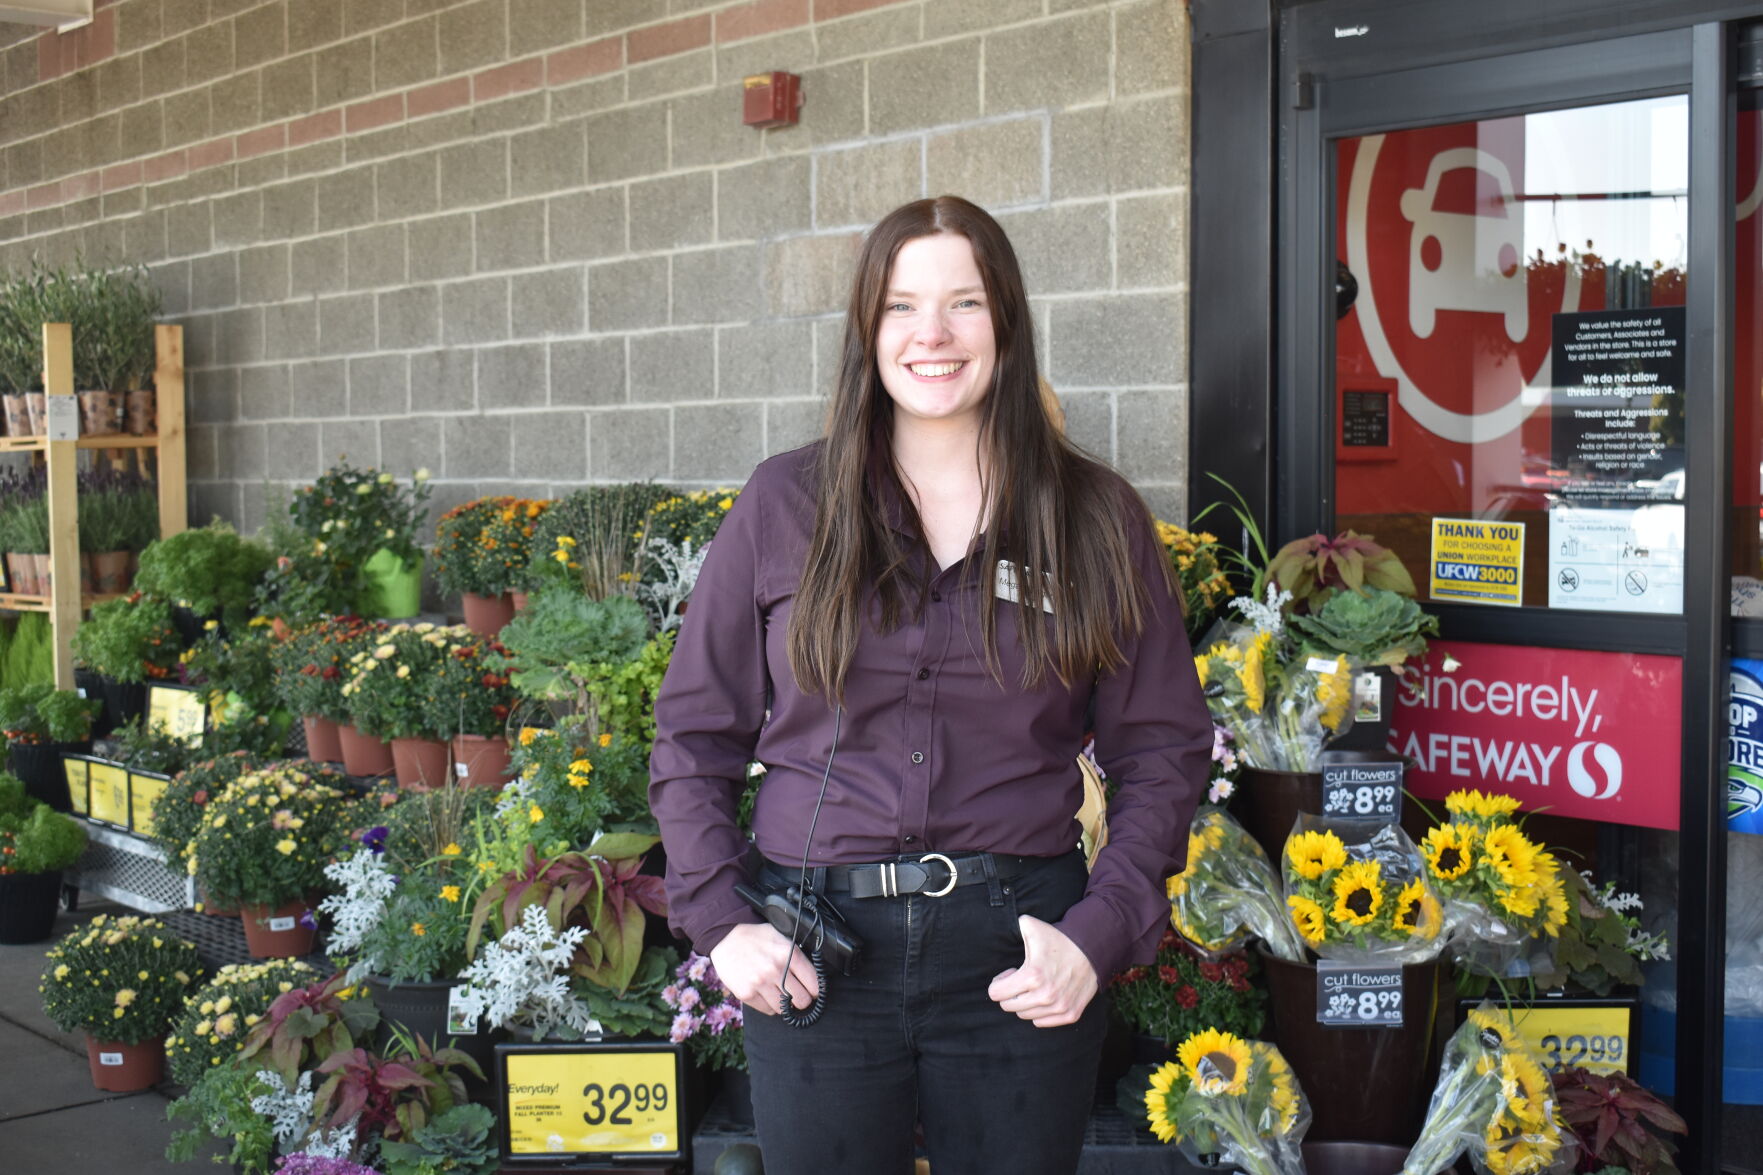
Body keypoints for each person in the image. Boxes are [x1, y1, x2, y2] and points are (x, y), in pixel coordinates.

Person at [649, 196, 1211, 1174]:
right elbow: (693, 735)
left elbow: (1160, 748)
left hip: (1019, 945)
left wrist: (1098, 930)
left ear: (1007, 322)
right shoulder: (783, 505)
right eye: (901, 306)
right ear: (867, 329)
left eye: (964, 303)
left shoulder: (1093, 518)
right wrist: (721, 921)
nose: (932, 336)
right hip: (812, 952)